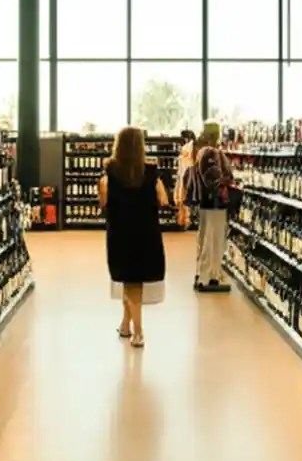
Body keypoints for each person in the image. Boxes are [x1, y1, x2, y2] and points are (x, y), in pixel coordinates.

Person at [98, 126, 168, 348]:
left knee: (130, 283)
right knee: (133, 282)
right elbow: (164, 200)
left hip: (120, 236)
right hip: (146, 234)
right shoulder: (151, 173)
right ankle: (126, 324)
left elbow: (103, 202)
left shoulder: (109, 174)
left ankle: (138, 332)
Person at [184, 120, 233, 293]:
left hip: (206, 202)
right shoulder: (211, 153)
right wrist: (228, 180)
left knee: (205, 237)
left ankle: (206, 273)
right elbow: (215, 179)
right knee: (215, 239)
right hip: (215, 202)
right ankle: (208, 275)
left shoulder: (200, 151)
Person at [173, 129, 197, 229]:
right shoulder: (193, 148)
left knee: (183, 198)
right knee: (185, 198)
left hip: (185, 175)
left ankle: (185, 220)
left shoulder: (186, 149)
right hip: (189, 175)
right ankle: (186, 220)